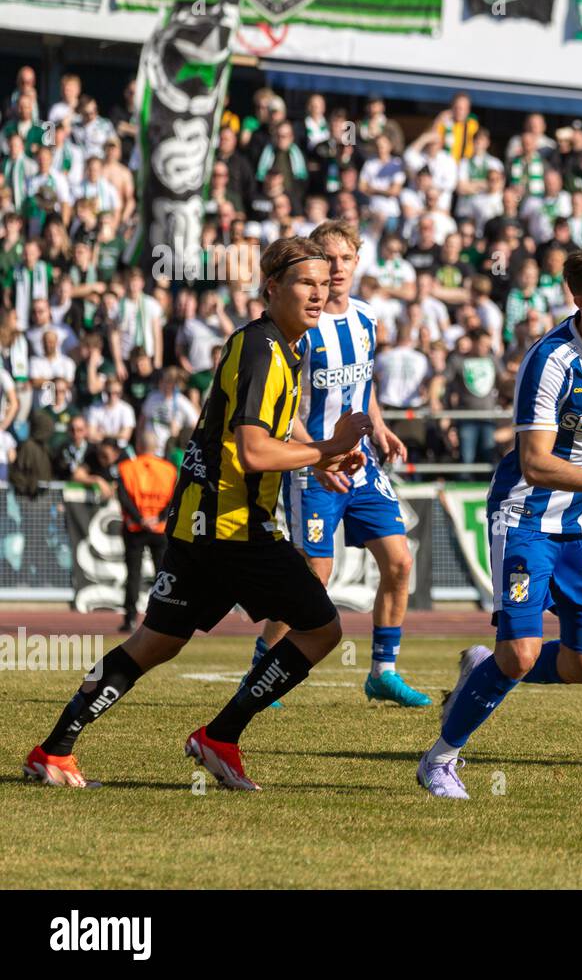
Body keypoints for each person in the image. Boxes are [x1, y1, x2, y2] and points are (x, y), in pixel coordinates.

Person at [23, 237, 372, 790]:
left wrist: (318, 457)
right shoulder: (263, 349)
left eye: (324, 284)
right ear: (272, 288)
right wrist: (328, 447)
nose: (319, 293)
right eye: (306, 283)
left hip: (199, 524)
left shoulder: (282, 347)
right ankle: (220, 735)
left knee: (154, 643)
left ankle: (54, 749)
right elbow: (254, 451)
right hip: (236, 527)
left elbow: (260, 437)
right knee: (322, 629)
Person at [415, 243, 582, 800]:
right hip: (528, 516)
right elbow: (535, 464)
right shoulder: (551, 360)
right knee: (521, 653)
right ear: (580, 299)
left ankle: (483, 670)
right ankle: (440, 760)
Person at [266, 220, 428, 707]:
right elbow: (285, 405)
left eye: (345, 259)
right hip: (312, 467)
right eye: (327, 260)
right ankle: (264, 663)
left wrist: (380, 427)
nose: (336, 269)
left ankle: (382, 671)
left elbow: (363, 383)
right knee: (314, 576)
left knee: (399, 561)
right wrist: (317, 455)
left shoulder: (365, 318)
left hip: (363, 464)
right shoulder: (300, 326)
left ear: (358, 262)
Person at [116, 427, 177, 634]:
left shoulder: (126, 468)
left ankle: (130, 618)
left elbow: (123, 498)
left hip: (135, 528)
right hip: (159, 528)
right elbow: (173, 499)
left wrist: (140, 519)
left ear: (138, 446)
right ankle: (164, 617)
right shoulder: (169, 470)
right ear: (156, 446)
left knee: (133, 574)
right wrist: (157, 518)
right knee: (163, 574)